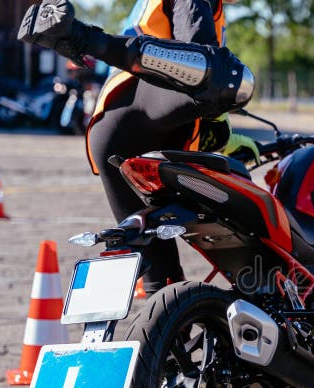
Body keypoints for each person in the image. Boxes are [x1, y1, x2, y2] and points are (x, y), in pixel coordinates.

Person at [18, 0, 259, 293]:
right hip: (135, 112)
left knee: (165, 284)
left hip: (119, 136)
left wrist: (223, 135)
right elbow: (203, 69)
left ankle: (173, 334)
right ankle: (81, 36)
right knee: (227, 76)